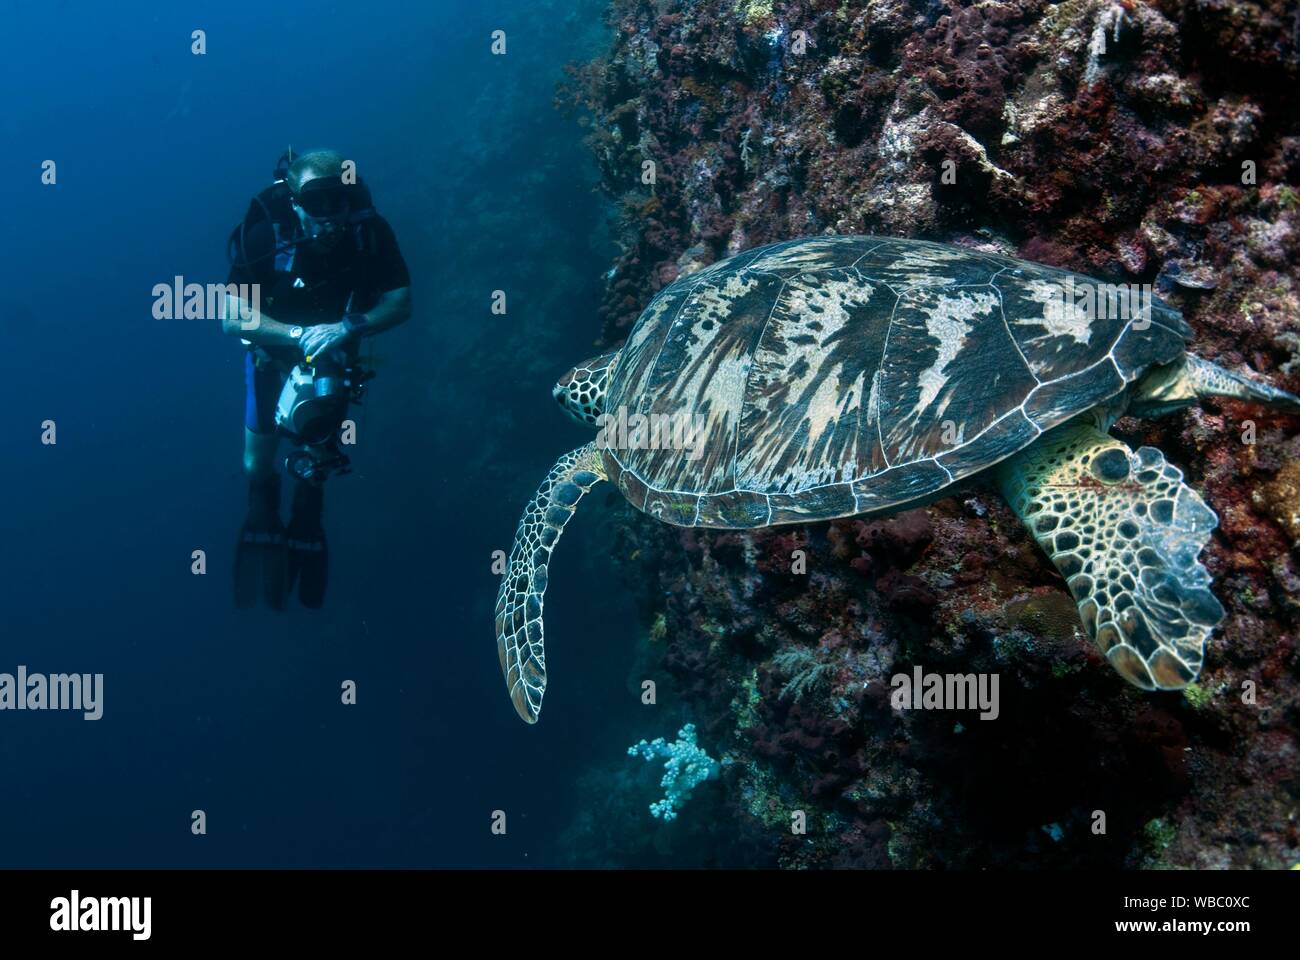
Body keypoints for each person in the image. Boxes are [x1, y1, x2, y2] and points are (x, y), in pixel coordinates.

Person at [222, 148, 412, 609]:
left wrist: (351, 327)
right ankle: (261, 507)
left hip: (335, 349)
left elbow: (401, 301)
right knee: (256, 460)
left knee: (319, 444)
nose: (329, 219)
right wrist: (295, 335)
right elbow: (231, 317)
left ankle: (308, 512)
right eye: (316, 205)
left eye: (339, 204)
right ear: (293, 202)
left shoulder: (369, 231)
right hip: (273, 350)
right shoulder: (267, 233)